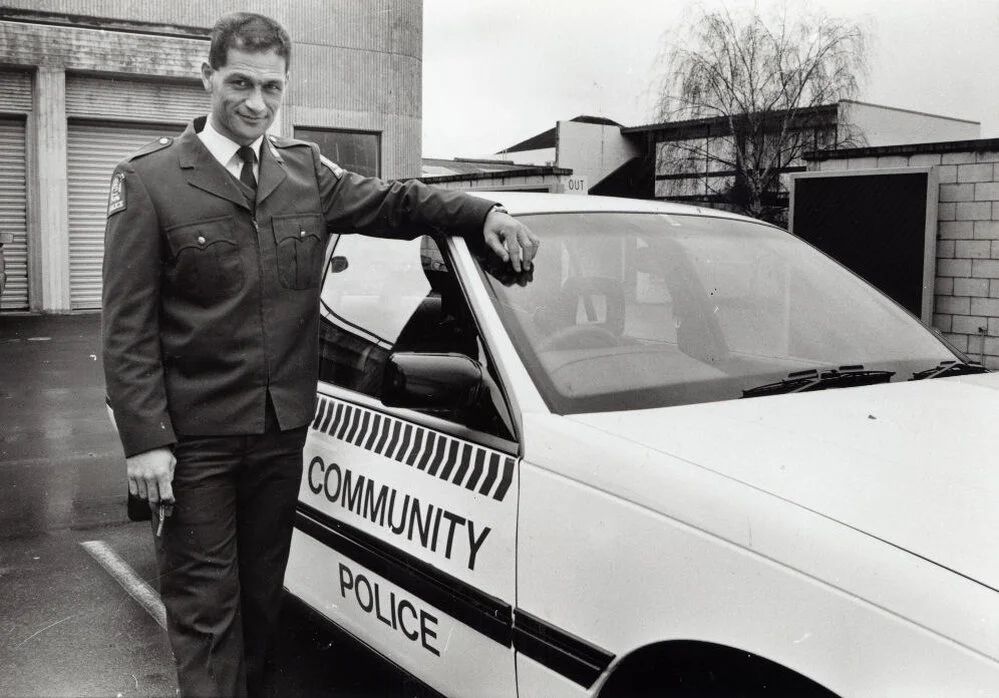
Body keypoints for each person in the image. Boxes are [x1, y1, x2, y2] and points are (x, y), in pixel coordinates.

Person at [100, 11, 538, 697]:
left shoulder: (302, 172)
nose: (255, 103)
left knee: (260, 605)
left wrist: (480, 213)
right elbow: (125, 328)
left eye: (271, 88)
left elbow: (395, 202)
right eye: (239, 83)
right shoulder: (151, 182)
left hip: (280, 436)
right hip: (195, 442)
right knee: (205, 614)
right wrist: (145, 443)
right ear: (207, 76)